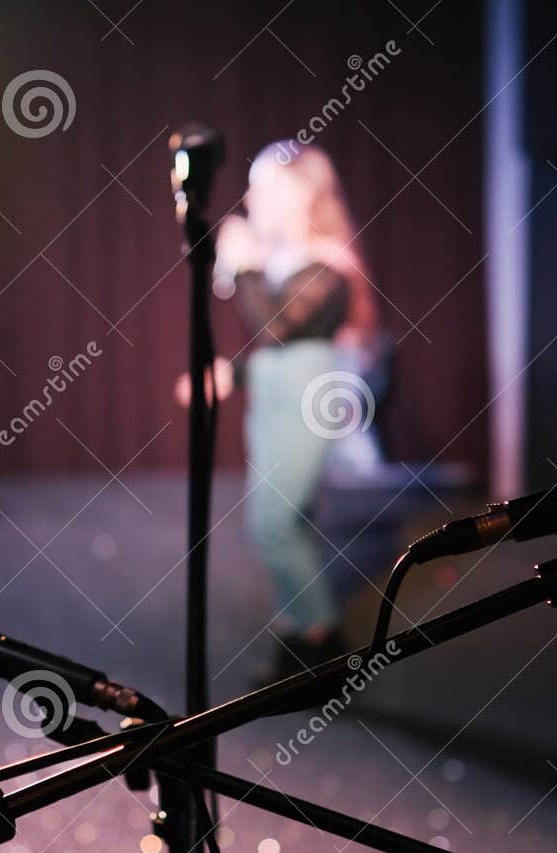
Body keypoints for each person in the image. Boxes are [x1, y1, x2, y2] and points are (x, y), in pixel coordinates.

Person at [178, 142, 379, 678]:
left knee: (274, 526)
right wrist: (231, 374)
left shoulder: (328, 263)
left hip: (301, 405)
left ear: (302, 196)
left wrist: (243, 266)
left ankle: (325, 643)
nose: (254, 201)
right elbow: (275, 346)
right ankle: (296, 638)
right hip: (273, 401)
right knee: (284, 525)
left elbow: (281, 328)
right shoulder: (284, 264)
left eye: (266, 190)